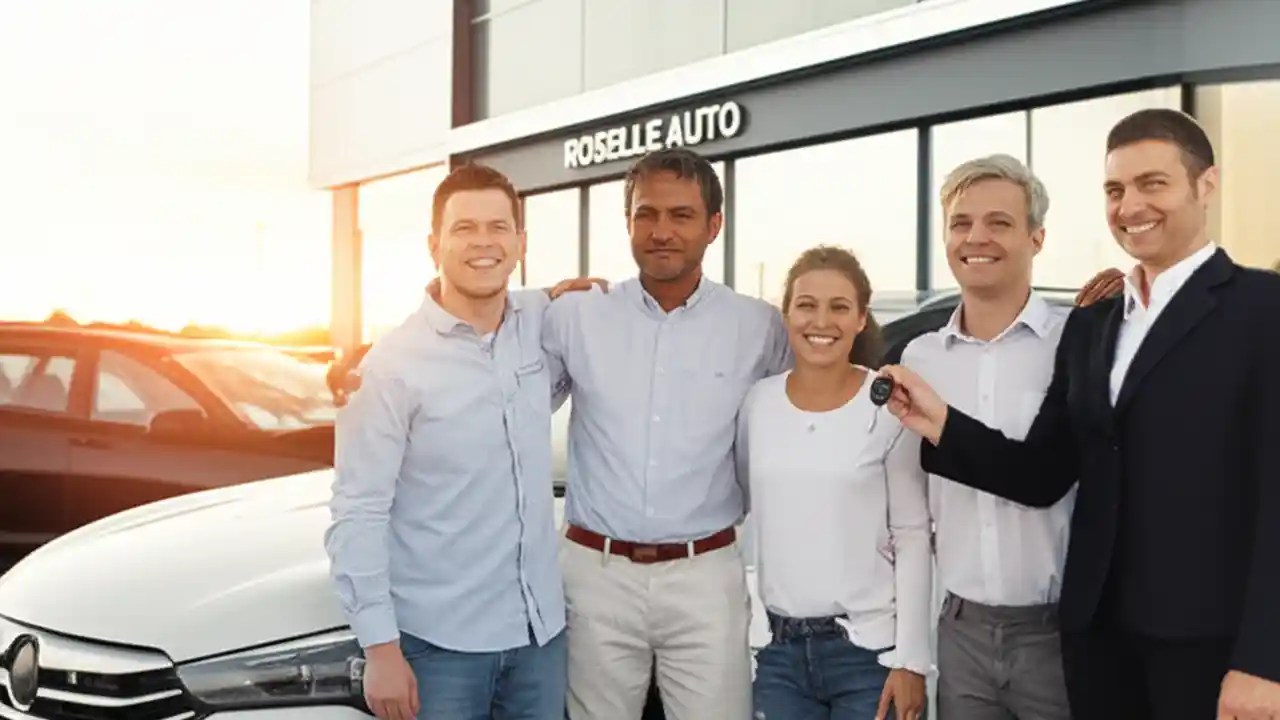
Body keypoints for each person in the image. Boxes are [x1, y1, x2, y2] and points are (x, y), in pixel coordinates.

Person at [880, 108, 1280, 720]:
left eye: (1153, 183)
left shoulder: (1262, 310)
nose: (1130, 206)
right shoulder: (1095, 324)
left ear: (1206, 185)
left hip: (1211, 652)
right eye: (1115, 190)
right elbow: (1041, 473)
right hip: (1098, 650)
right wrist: (939, 421)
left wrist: (1264, 661)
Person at [542, 147, 791, 720]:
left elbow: (811, 418)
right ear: (627, 221)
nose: (660, 231)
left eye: (680, 215)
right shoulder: (578, 315)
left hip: (705, 577)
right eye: (645, 214)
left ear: (713, 226)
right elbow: (506, 398)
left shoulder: (758, 327)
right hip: (593, 576)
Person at [325, 163, 567, 720]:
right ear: (434, 245)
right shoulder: (391, 367)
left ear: (521, 242)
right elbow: (357, 511)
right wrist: (380, 647)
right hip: (439, 650)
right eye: (464, 229)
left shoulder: (542, 325)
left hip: (541, 639)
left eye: (499, 227)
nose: (483, 242)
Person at [901, 154, 1074, 719]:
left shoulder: (1078, 343)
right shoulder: (920, 357)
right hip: (961, 633)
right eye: (960, 223)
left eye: (999, 222)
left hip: (1058, 633)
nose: (976, 237)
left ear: (1037, 237)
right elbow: (909, 512)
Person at [738, 246, 930, 720]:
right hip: (777, 655)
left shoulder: (888, 405)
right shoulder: (758, 404)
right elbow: (748, 513)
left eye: (839, 307)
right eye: (806, 305)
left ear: (862, 318)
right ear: (786, 314)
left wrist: (911, 661)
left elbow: (911, 536)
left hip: (869, 655)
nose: (821, 320)